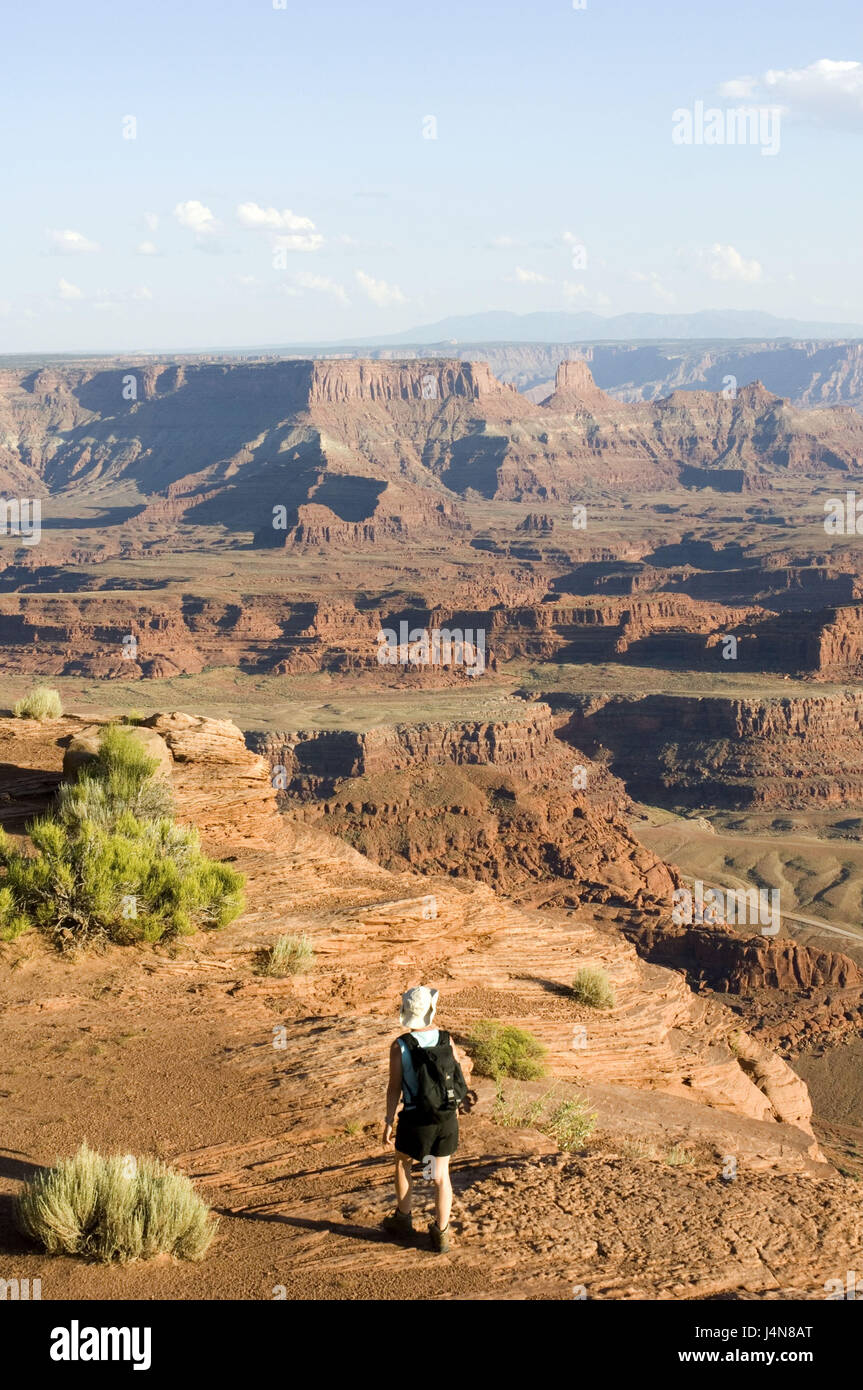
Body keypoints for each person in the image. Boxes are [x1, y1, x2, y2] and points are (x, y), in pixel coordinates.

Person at [381, 985, 473, 1254]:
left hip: (415, 1117)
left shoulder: (400, 1046)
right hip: (446, 1116)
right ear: (431, 1010)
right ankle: (442, 1233)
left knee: (403, 1162)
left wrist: (389, 1121)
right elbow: (456, 1077)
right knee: (441, 1176)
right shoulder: (447, 1039)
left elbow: (394, 1086)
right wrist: (454, 1110)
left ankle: (403, 1219)